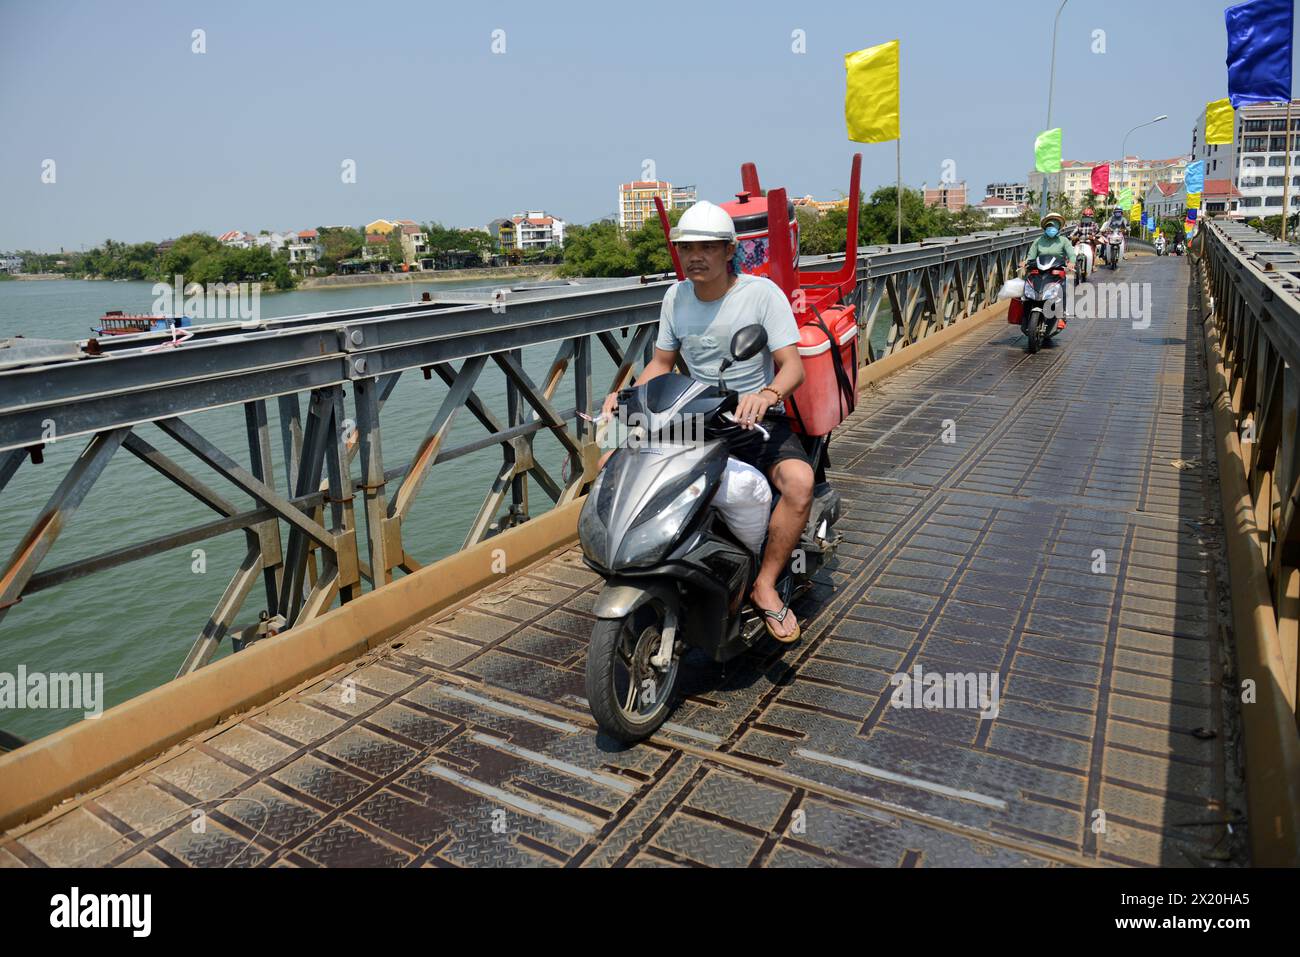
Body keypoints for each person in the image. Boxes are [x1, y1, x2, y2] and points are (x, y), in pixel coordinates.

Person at [597, 200, 813, 643]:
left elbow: (792, 367)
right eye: (686, 247)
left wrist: (767, 394)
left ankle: (765, 583)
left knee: (799, 482)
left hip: (754, 418)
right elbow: (661, 363)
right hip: (696, 415)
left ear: (730, 250)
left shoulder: (761, 294)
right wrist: (626, 397)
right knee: (611, 463)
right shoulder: (675, 296)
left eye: (707, 248)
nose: (695, 256)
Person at [1022, 213, 1075, 330]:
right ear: (1045, 227)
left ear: (1058, 228)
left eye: (1054, 226)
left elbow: (1071, 254)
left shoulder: (1063, 241)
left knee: (1064, 288)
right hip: (1039, 271)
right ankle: (1024, 316)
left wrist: (1071, 262)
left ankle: (1061, 316)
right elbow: (1031, 256)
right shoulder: (1038, 241)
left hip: (1056, 272)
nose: (1051, 228)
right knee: (1026, 288)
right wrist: (1025, 262)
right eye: (1049, 226)